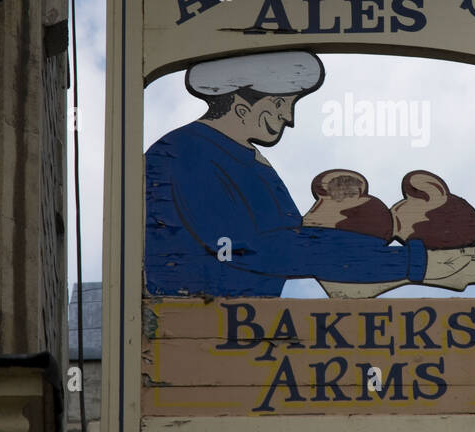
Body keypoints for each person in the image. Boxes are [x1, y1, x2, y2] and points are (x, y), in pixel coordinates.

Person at [144, 51, 436, 297]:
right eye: (279, 104)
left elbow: (291, 242)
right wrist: (409, 262)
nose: (289, 117)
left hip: (244, 325)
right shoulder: (186, 151)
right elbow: (265, 248)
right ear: (241, 106)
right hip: (192, 324)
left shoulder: (248, 161)